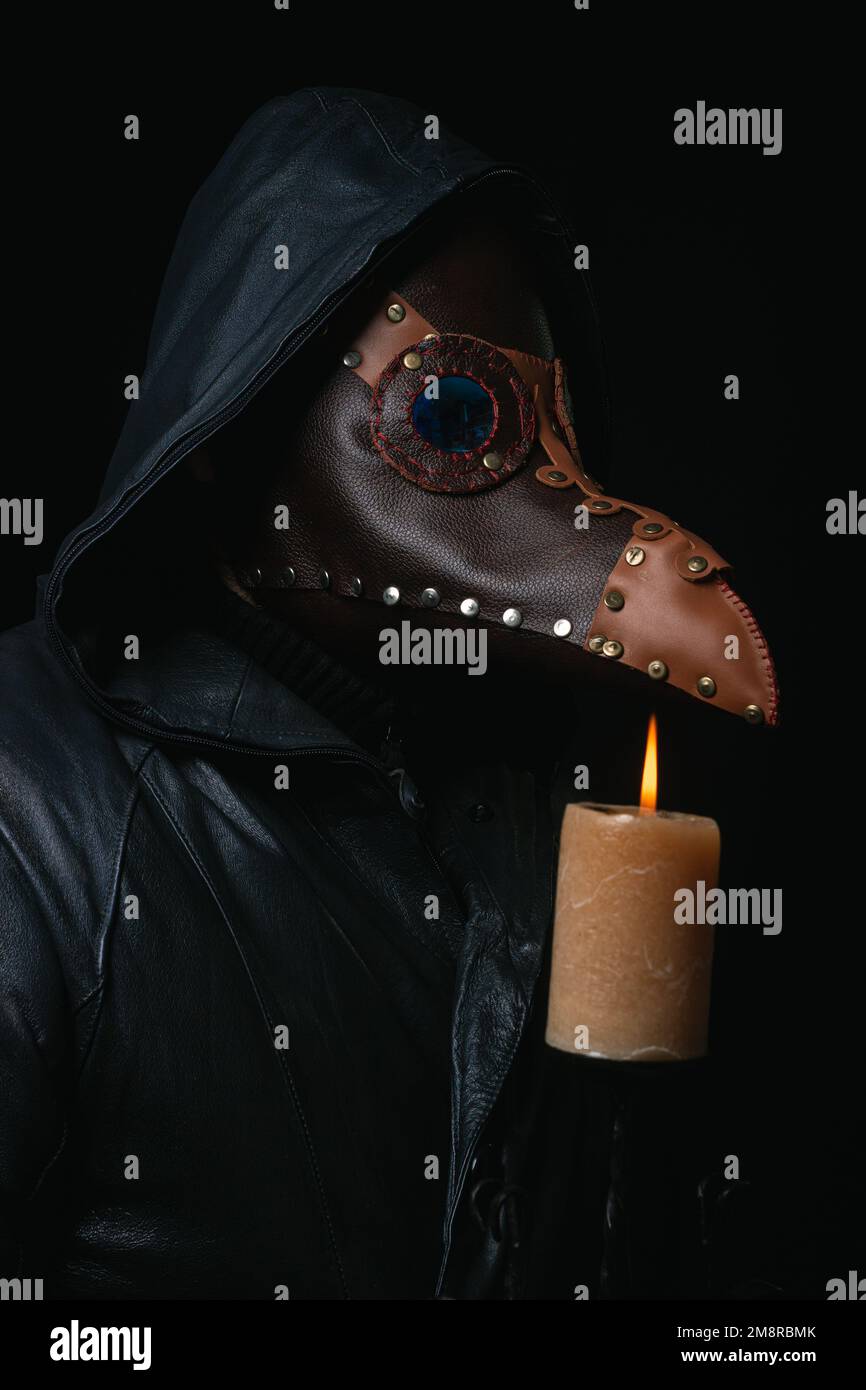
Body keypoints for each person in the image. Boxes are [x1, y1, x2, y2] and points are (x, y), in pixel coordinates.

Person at [0, 88, 776, 1300]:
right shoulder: (28, 805)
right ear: (230, 415)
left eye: (553, 431)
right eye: (453, 413)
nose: (556, 508)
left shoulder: (525, 787)